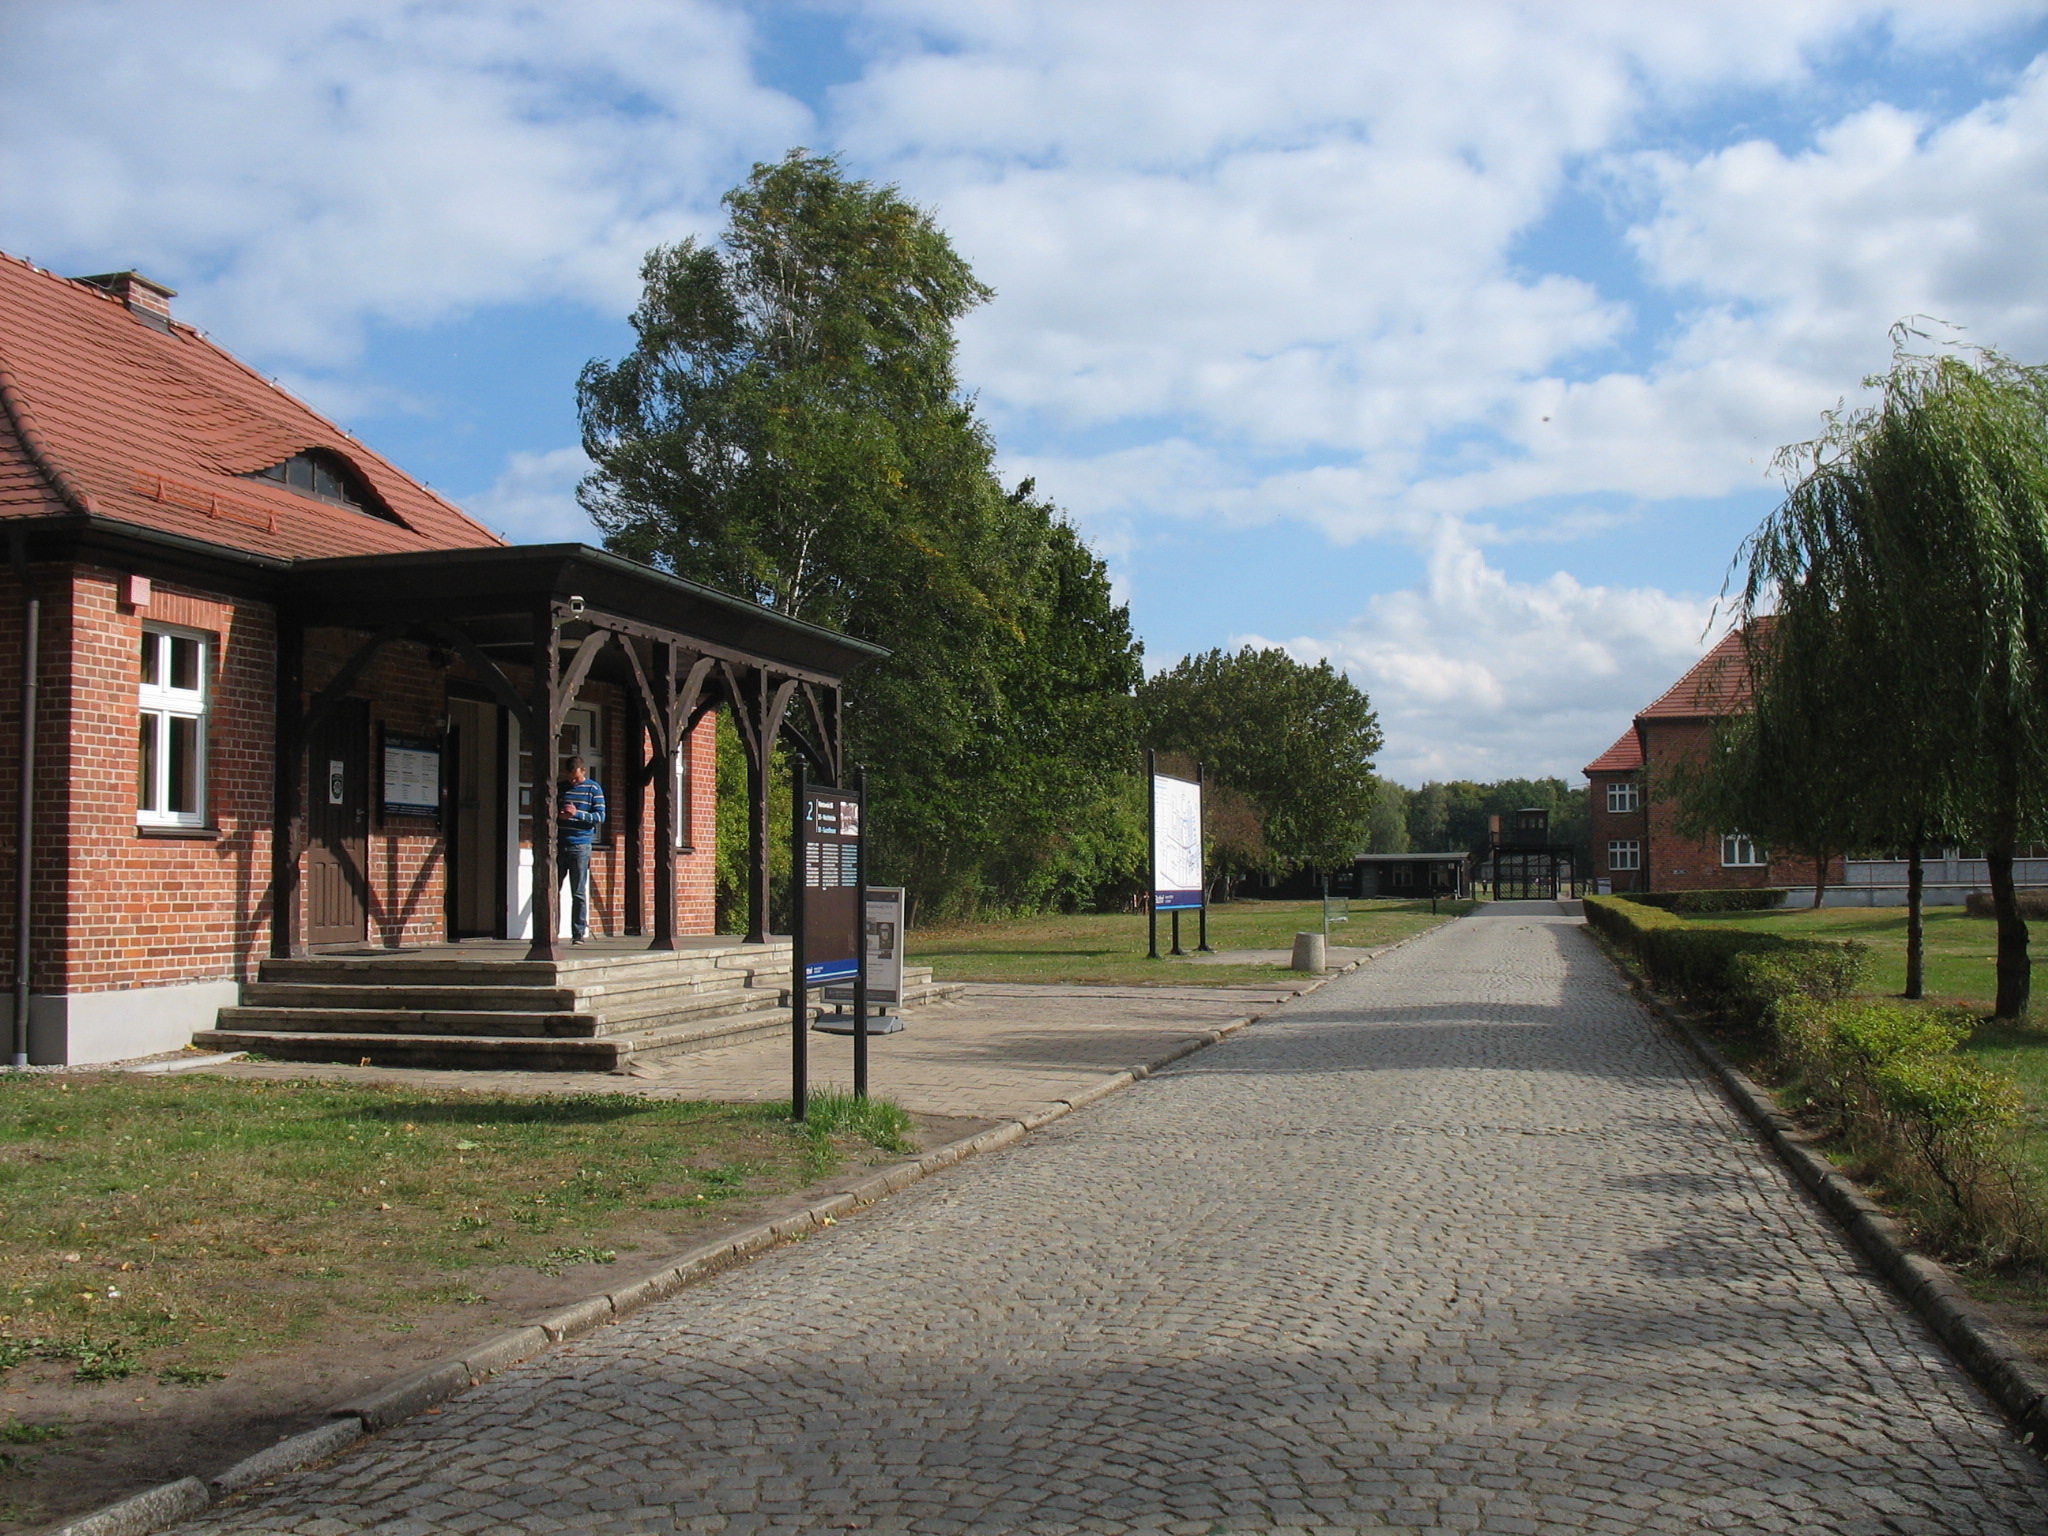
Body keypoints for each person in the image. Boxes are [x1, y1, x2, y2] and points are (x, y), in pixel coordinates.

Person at [557, 756, 605, 943]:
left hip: (580, 845)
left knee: (578, 891)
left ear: (583, 771)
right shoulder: (561, 787)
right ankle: (551, 931)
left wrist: (576, 813)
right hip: (560, 843)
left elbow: (600, 816)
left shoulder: (594, 789)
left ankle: (578, 933)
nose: (573, 782)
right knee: (553, 889)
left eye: (576, 778)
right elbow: (551, 810)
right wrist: (560, 816)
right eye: (570, 778)